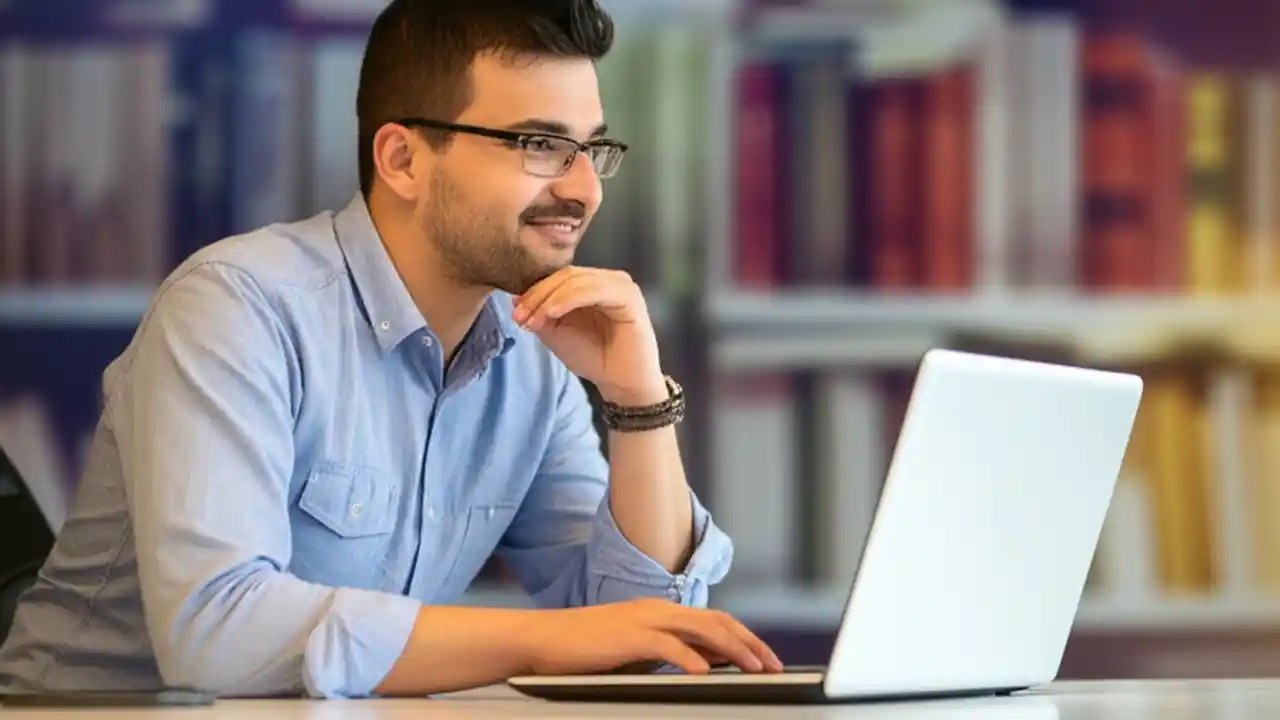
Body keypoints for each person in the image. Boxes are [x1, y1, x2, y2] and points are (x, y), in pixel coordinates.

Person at [0, 0, 783, 700]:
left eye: (592, 148)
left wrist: (639, 400)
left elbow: (639, 644)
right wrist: (544, 643)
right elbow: (215, 631)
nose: (584, 189)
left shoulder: (533, 354)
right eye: (540, 144)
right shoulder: (238, 306)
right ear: (402, 159)